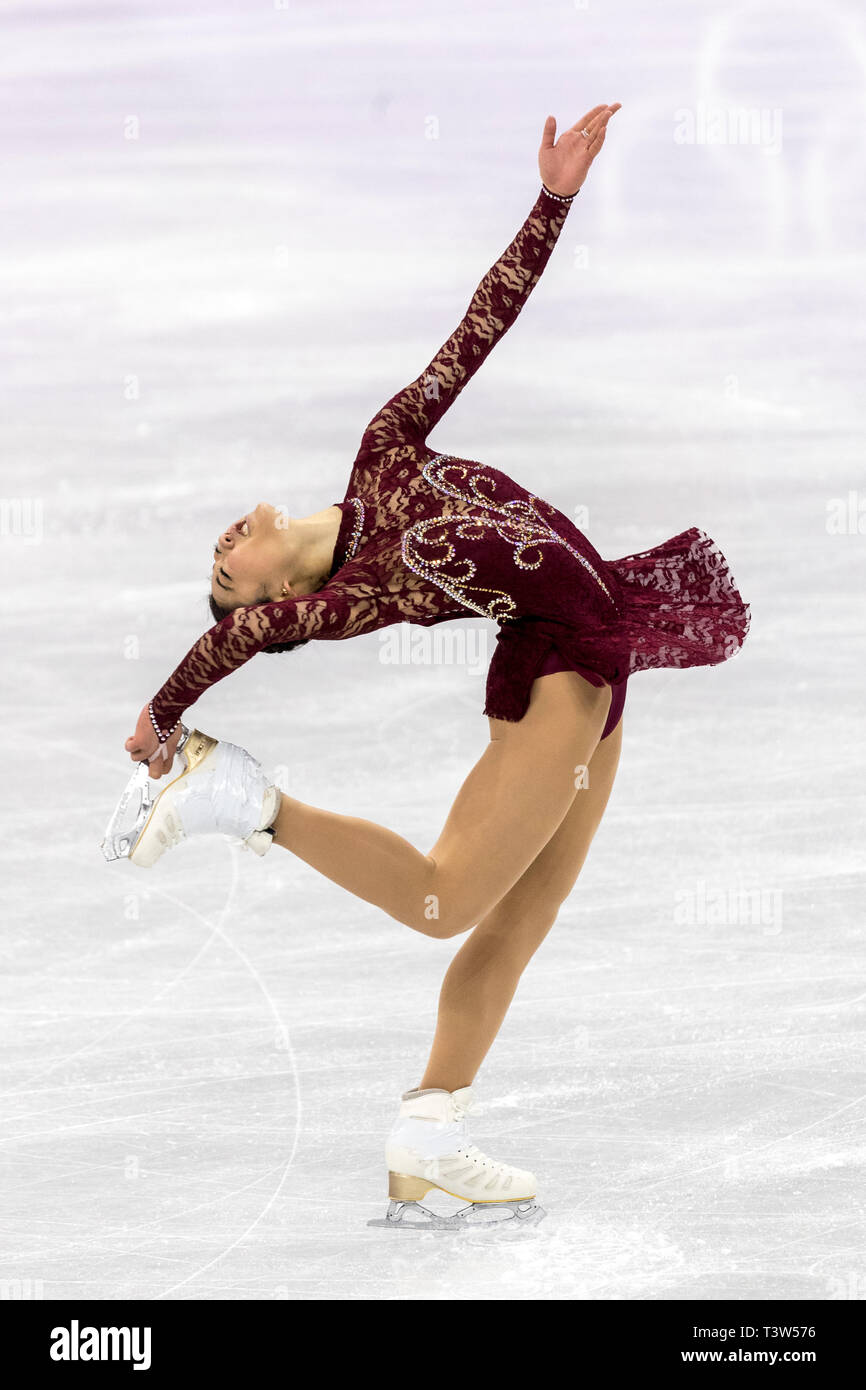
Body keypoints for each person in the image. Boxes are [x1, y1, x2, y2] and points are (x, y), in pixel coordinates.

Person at [120, 104, 750, 1225]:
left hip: (591, 652)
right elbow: (238, 634)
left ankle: (430, 1132)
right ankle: (242, 797)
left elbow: (480, 325)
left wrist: (551, 199)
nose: (223, 554)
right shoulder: (355, 593)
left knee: (525, 910)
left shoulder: (383, 452)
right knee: (441, 897)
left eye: (224, 557)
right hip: (559, 670)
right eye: (229, 572)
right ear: (275, 594)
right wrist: (166, 712)